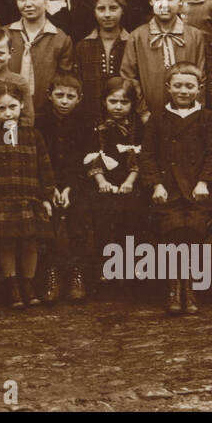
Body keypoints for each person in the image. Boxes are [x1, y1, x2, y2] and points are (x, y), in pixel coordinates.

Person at [141, 62, 212, 315]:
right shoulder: (157, 118)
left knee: (195, 228)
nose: (183, 91)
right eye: (177, 86)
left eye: (189, 86)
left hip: (198, 189)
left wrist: (204, 182)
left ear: (199, 88)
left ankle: (190, 286)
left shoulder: (207, 118)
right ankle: (175, 286)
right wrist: (156, 185)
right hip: (168, 189)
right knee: (173, 228)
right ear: (168, 88)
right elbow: (147, 156)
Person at [0, 82, 55, 310]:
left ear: (22, 105)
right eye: (1, 109)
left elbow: (45, 169)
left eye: (12, 106)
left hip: (28, 197)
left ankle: (28, 283)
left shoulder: (33, 135)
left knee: (30, 240)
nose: (8, 113)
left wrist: (47, 197)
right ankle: (12, 285)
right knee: (7, 242)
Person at [34, 72, 93, 303]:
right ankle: (52, 273)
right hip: (46, 185)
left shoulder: (86, 124)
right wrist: (49, 191)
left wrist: (68, 188)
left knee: (79, 219)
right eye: (59, 95)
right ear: (49, 96)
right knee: (47, 220)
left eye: (70, 96)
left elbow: (83, 159)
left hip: (75, 185)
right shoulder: (39, 122)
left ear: (79, 98)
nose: (64, 101)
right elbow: (38, 159)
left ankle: (77, 272)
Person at [119, 0, 207, 118]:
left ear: (181, 0)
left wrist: (195, 111)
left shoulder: (195, 36)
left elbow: (202, 76)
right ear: (150, 1)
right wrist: (143, 111)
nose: (164, 4)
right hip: (149, 115)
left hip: (188, 115)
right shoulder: (138, 36)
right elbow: (129, 77)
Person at [84, 77, 144, 276]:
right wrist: (102, 181)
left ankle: (128, 266)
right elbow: (93, 155)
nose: (118, 107)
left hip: (130, 179)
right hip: (103, 180)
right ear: (104, 101)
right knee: (102, 212)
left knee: (132, 214)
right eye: (113, 101)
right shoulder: (97, 125)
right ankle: (105, 264)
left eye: (124, 102)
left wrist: (129, 182)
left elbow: (140, 157)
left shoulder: (138, 126)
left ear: (133, 104)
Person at [6, 0, 74, 103]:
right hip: (10, 110)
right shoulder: (5, 34)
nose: (28, 4)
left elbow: (63, 81)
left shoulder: (61, 39)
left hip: (45, 111)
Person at [73, 0, 129, 125]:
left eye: (113, 8)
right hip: (90, 119)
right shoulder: (83, 46)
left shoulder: (131, 43)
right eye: (101, 9)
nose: (107, 14)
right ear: (94, 11)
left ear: (122, 10)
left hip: (125, 119)